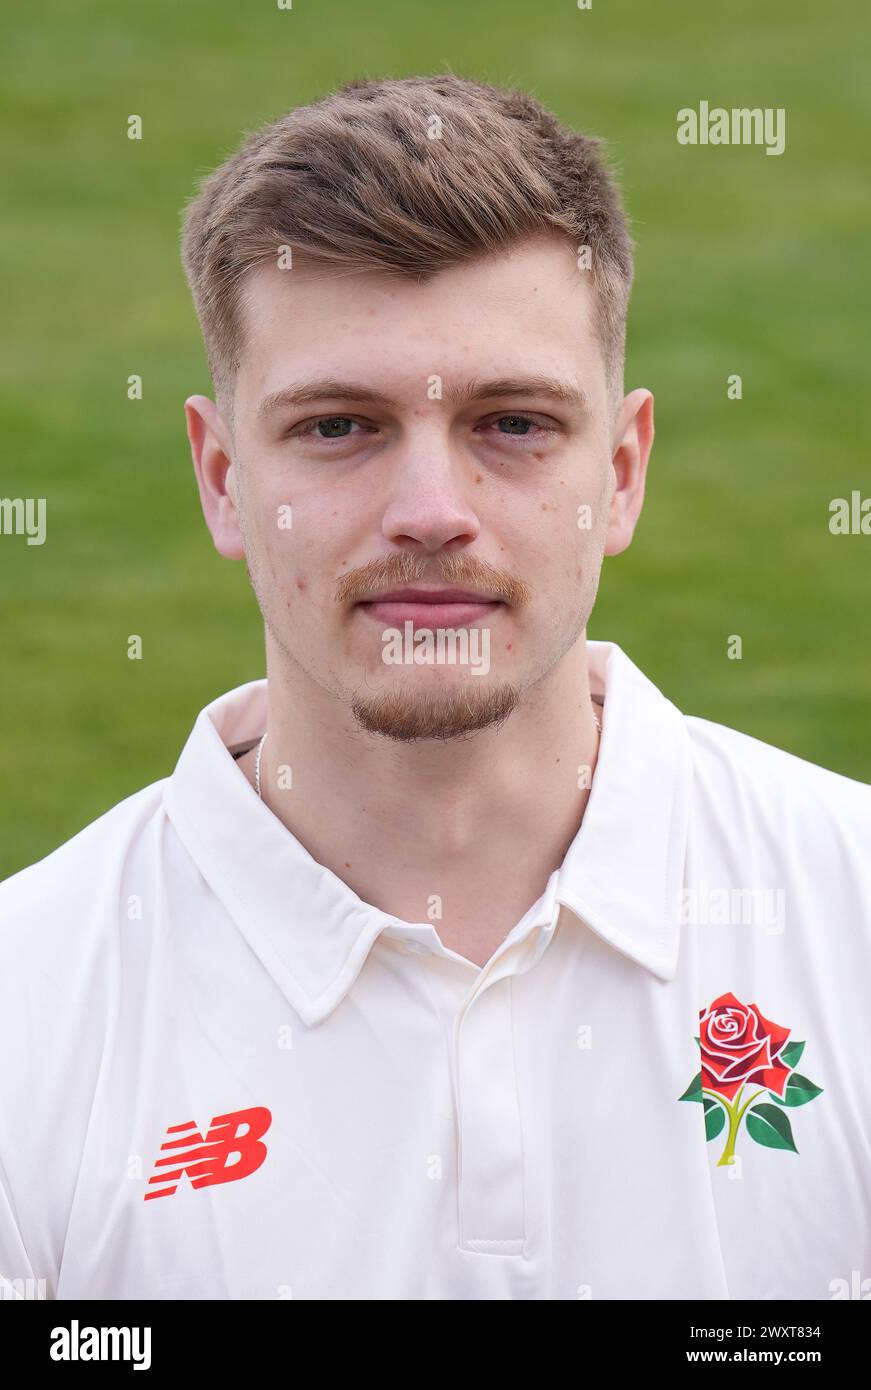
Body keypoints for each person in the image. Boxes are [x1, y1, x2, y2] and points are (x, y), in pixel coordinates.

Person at [1, 74, 869, 1303]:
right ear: (220, 477)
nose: (431, 514)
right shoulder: (25, 1010)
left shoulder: (853, 915)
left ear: (620, 472)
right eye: (338, 427)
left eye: (512, 424)